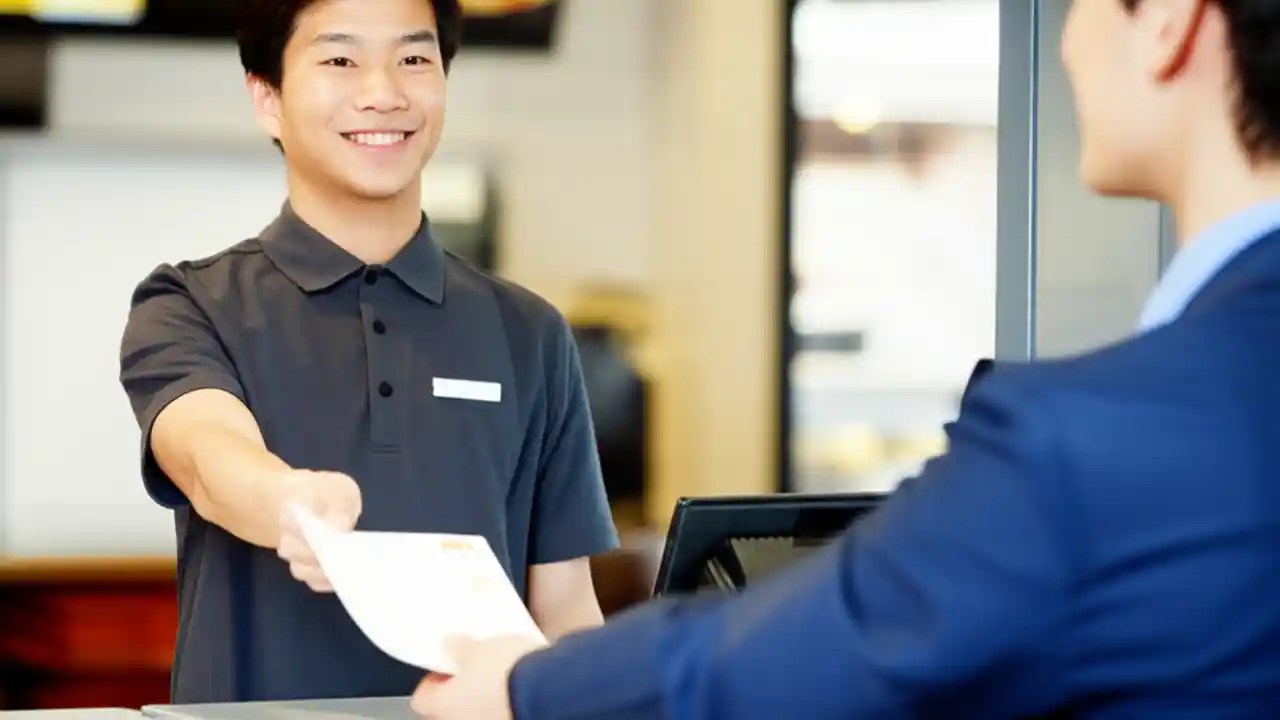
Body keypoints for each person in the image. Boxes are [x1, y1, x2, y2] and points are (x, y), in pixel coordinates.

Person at [410, 0, 1280, 717]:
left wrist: (524, 688)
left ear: (1169, 22)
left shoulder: (1092, 437)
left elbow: (806, 653)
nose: (1067, 38)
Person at [117, 0, 617, 704]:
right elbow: (205, 457)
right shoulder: (190, 304)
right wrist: (285, 500)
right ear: (267, 97)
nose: (383, 93)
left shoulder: (529, 332)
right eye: (340, 59)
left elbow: (564, 609)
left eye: (414, 58)